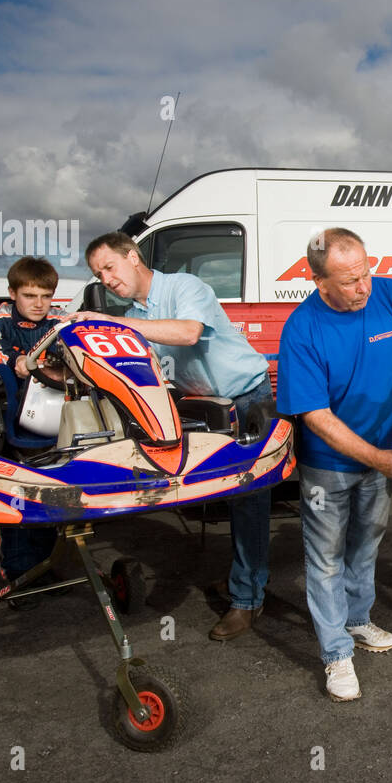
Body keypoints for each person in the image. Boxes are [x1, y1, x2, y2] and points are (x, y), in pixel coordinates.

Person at [72, 231, 274, 641]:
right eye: (98, 274)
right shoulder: (134, 313)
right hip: (203, 403)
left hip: (246, 397)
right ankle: (243, 578)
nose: (106, 280)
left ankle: (249, 599)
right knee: (217, 495)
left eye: (110, 267)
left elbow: (188, 333)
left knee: (248, 499)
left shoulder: (184, 286)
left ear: (132, 257)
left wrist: (111, 322)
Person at [276, 228, 392, 702]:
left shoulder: (390, 294)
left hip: (383, 453)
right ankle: (335, 654)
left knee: (366, 542)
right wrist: (379, 460)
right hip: (328, 465)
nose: (363, 288)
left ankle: (357, 619)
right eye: (349, 282)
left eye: (365, 273)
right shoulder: (302, 328)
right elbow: (315, 415)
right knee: (325, 559)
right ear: (319, 281)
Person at [0, 257, 68, 608]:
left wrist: (39, 363)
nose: (39, 303)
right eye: (30, 295)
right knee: (14, 502)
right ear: (12, 292)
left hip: (53, 423)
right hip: (7, 420)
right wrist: (24, 363)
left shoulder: (61, 321)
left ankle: (45, 569)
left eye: (46, 295)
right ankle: (19, 577)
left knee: (49, 498)